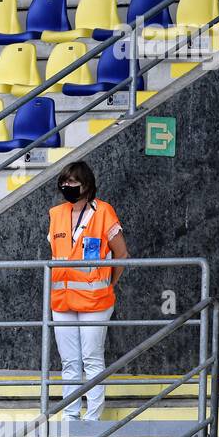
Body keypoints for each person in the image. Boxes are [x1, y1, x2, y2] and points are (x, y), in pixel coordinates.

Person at [48, 161, 129, 423]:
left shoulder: (104, 212)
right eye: (64, 182)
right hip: (62, 301)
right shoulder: (57, 214)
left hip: (96, 300)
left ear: (87, 184)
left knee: (92, 359)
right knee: (69, 363)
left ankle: (93, 417)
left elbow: (121, 254)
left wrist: (108, 284)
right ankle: (71, 416)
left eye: (73, 182)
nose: (67, 186)